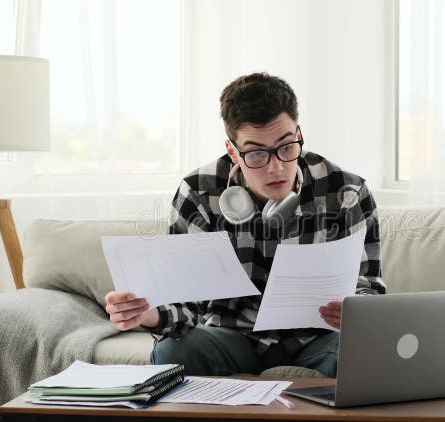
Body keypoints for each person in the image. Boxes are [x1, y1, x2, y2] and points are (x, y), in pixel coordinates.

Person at [104, 72, 385, 377]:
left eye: (287, 146)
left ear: (298, 132)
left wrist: (354, 311)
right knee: (173, 350)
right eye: (256, 153)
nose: (276, 166)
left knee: (361, 350)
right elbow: (184, 302)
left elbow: (369, 287)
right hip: (230, 338)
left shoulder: (346, 190)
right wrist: (149, 314)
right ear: (232, 151)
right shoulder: (199, 191)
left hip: (316, 341)